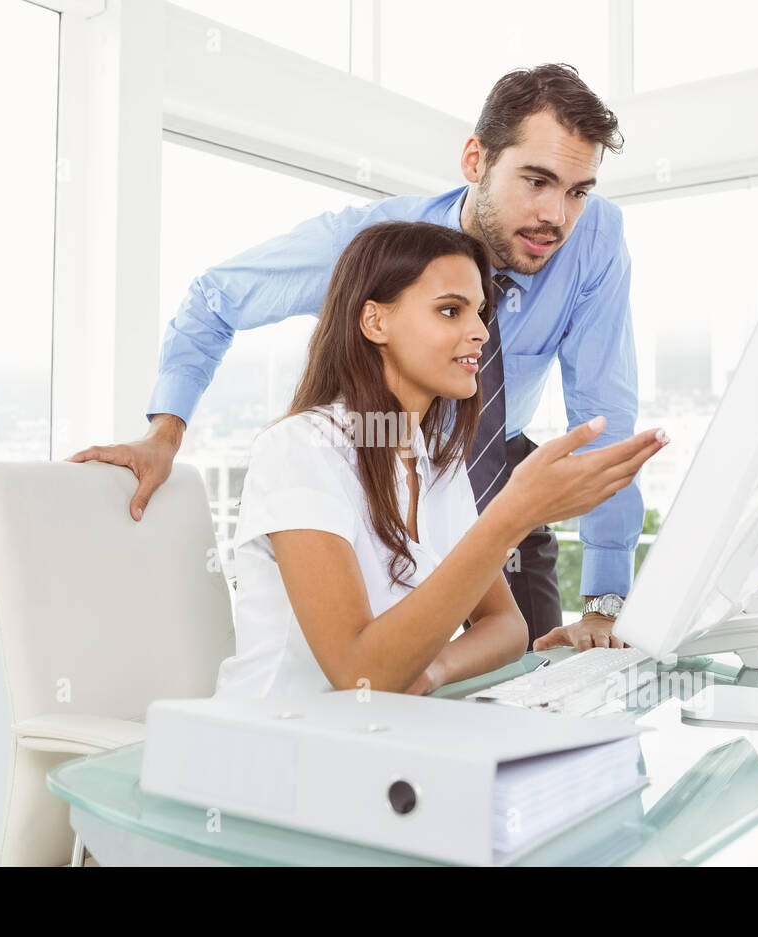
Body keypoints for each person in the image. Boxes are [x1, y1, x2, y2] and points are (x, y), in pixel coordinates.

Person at [68, 63, 642, 654]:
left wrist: (602, 605)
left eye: (577, 191)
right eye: (537, 181)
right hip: (379, 459)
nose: (557, 217)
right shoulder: (375, 248)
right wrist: (165, 432)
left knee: (538, 684)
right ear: (476, 161)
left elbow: (604, 419)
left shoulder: (593, 237)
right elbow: (216, 299)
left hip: (491, 471)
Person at [211, 221, 666, 697]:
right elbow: (360, 675)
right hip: (277, 743)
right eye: (451, 311)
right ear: (375, 322)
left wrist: (432, 671)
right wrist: (515, 514)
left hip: (382, 732)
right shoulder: (301, 449)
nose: (480, 334)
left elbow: (507, 627)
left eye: (480, 313)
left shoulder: (436, 462)